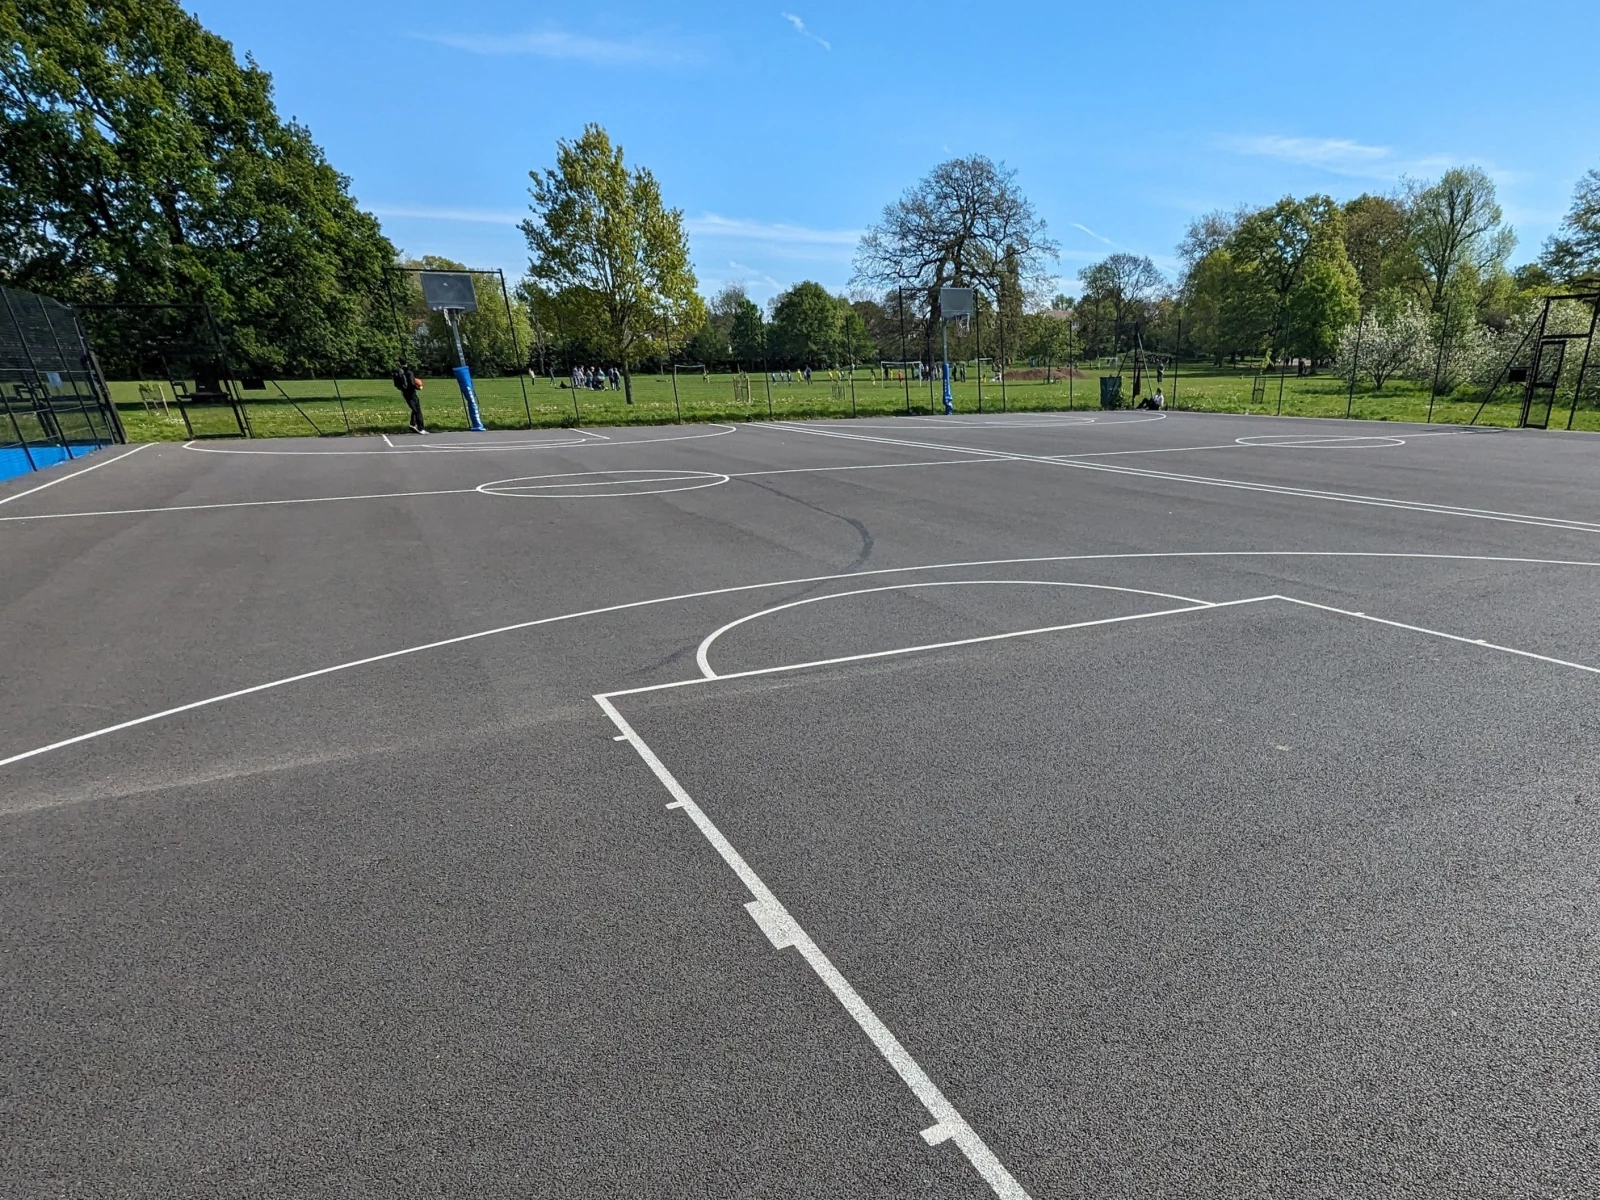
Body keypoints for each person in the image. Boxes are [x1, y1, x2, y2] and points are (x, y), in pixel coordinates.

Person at [391, 364, 426, 433]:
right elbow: (412, 383)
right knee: (417, 410)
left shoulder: (399, 373)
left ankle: (412, 424)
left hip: (405, 393)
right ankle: (420, 428)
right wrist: (418, 387)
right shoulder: (409, 373)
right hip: (411, 394)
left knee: (414, 409)